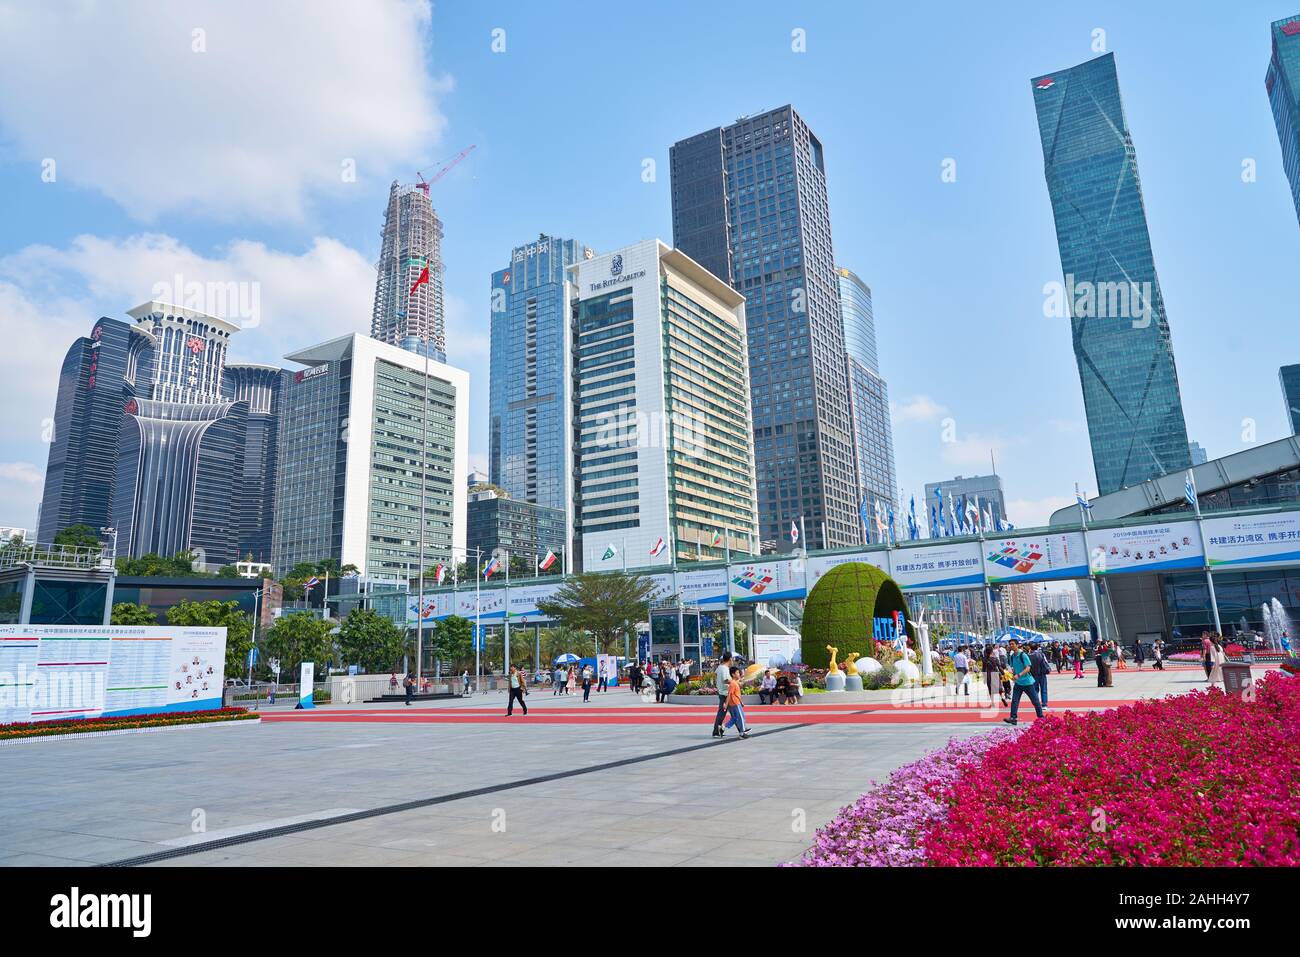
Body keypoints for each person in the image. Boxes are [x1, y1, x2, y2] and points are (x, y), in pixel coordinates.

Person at [1003, 639, 1044, 725]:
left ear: (1017, 645)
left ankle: (1041, 718)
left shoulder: (1023, 655)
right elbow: (1012, 668)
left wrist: (1019, 675)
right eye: (1010, 644)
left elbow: (1028, 668)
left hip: (1027, 682)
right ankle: (1013, 718)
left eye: (1013, 644)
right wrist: (1010, 674)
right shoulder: (1011, 657)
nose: (1011, 646)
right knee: (1014, 700)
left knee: (1035, 701)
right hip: (1018, 683)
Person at [719, 665, 750, 739]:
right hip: (735, 704)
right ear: (733, 674)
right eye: (737, 673)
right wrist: (726, 704)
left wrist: (741, 702)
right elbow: (729, 694)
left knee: (735, 718)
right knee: (741, 717)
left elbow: (737, 694)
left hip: (734, 703)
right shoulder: (733, 683)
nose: (739, 674)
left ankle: (723, 727)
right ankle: (742, 733)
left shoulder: (734, 683)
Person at [711, 652, 734, 737]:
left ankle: (719, 731)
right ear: (730, 659)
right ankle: (716, 732)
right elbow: (725, 680)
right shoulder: (724, 668)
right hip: (725, 694)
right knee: (723, 713)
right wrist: (734, 682)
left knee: (729, 713)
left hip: (722, 693)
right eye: (732, 659)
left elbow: (715, 675)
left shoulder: (720, 667)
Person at [1028, 642, 1050, 709]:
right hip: (1042, 673)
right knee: (1044, 689)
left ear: (1030, 648)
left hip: (1033, 674)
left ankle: (1036, 703)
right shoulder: (1041, 654)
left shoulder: (1028, 655)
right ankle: (1044, 704)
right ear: (1037, 647)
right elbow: (1045, 662)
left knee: (1035, 690)